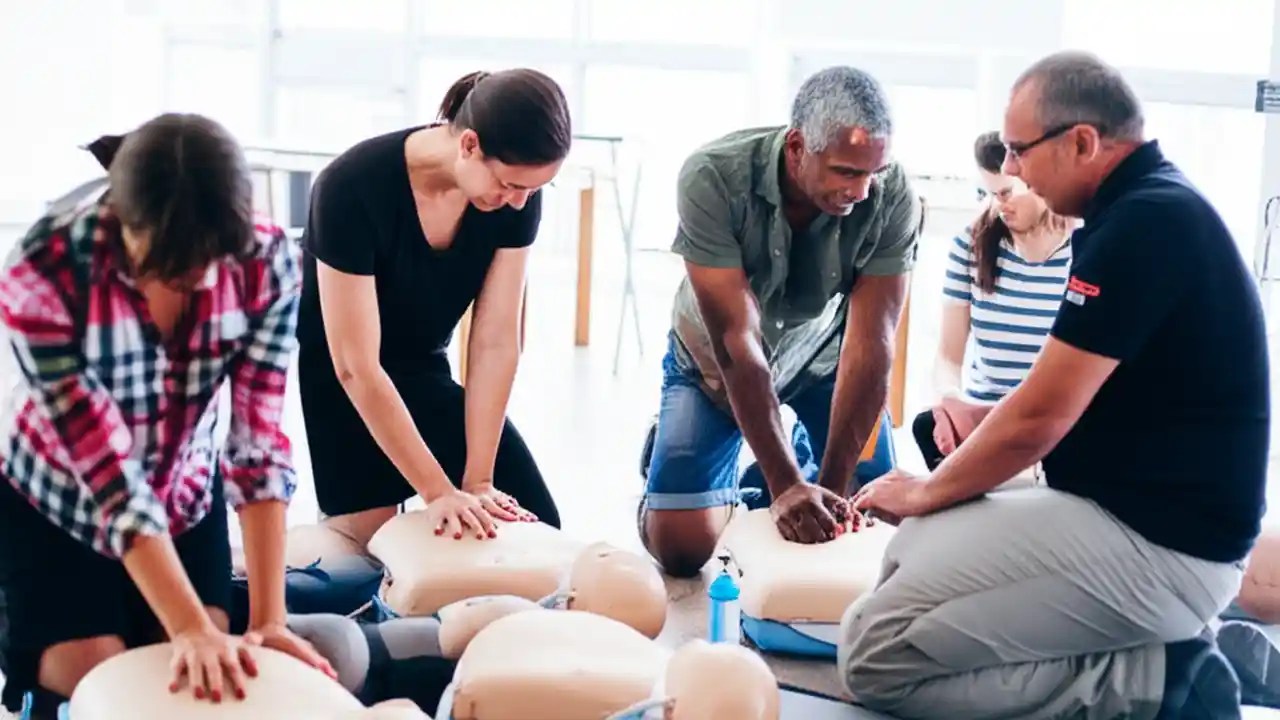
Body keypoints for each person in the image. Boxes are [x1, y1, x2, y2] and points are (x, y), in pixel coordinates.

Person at [843, 50, 1270, 718]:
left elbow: (1041, 418)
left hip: (1166, 550)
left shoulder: (1143, 224)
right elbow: (1073, 393)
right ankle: (1151, 650)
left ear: (1082, 142)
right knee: (904, 556)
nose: (1010, 169)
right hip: (1116, 510)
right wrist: (982, 414)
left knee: (875, 658)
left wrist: (928, 488)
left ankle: (1155, 678)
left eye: (1019, 151)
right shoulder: (1137, 208)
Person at [0, 114, 333, 718]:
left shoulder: (269, 261)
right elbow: (107, 472)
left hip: (183, 490)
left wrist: (268, 622)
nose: (202, 278)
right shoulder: (41, 274)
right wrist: (188, 627)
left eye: (214, 260)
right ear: (123, 224)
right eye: (177, 267)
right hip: (57, 502)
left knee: (201, 680)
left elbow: (257, 444)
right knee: (102, 680)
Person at [638, 65, 921, 578]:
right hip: (715, 365)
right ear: (796, 148)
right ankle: (715, 474)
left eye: (872, 173)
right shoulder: (712, 176)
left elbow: (875, 342)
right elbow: (735, 342)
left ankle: (781, 473)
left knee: (873, 518)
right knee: (680, 550)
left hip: (820, 361)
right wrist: (787, 486)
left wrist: (831, 492)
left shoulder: (893, 193)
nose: (861, 191)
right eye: (845, 172)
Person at [295, 69, 570, 556]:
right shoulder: (349, 187)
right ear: (468, 145)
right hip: (345, 382)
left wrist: (478, 480)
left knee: (534, 533)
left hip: (423, 371)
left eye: (532, 190)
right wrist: (439, 492)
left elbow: (496, 339)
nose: (520, 202)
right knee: (367, 560)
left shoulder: (517, 195)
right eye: (510, 185)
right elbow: (355, 365)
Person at [912, 131, 1073, 471]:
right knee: (927, 425)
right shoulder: (969, 246)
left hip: (1055, 425)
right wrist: (950, 400)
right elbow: (947, 357)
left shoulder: (1086, 250)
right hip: (986, 422)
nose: (999, 206)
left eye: (1006, 193)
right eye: (988, 194)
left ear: (1037, 181)